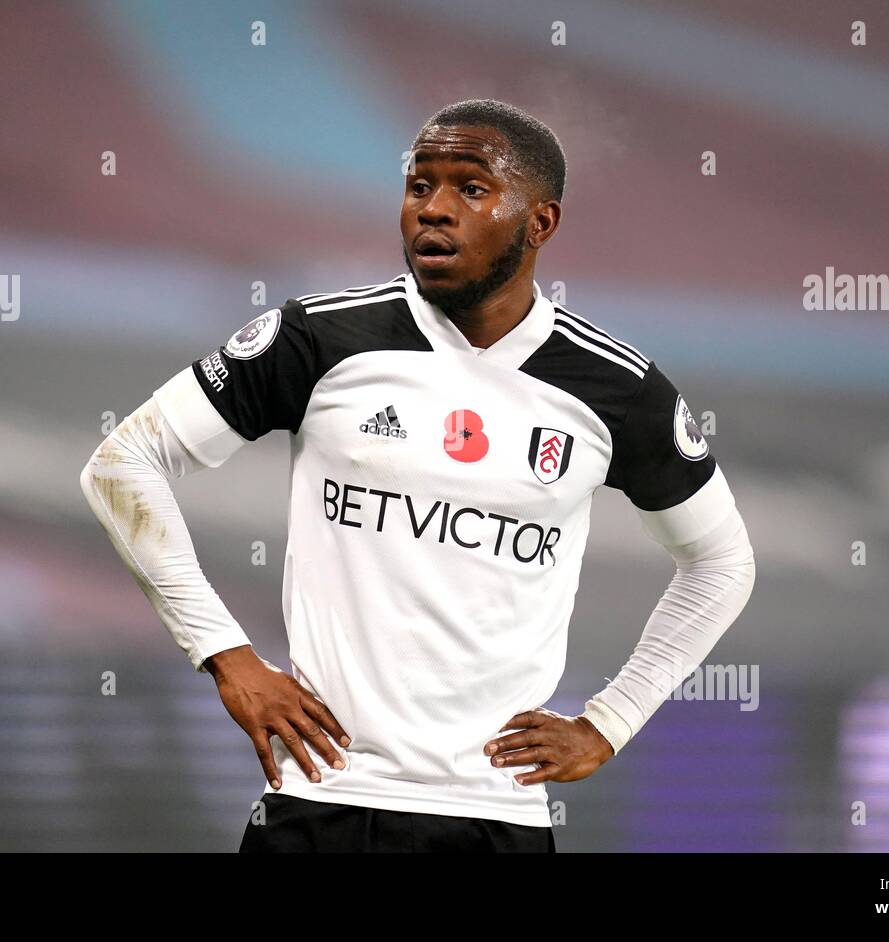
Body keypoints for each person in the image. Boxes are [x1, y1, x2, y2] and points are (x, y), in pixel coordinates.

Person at [79, 98, 756, 853]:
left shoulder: (616, 390)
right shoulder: (323, 337)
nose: (432, 211)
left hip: (497, 820)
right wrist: (226, 656)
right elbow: (121, 464)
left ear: (541, 223)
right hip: (320, 802)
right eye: (417, 185)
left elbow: (720, 562)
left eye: (470, 189)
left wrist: (613, 719)